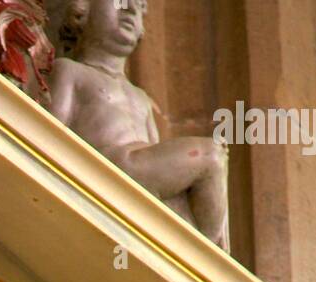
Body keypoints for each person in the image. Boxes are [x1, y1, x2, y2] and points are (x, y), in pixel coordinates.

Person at [47, 0, 229, 248]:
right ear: (82, 9)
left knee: (187, 197)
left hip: (141, 183)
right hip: (111, 172)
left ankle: (194, 255)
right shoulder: (70, 72)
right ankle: (205, 255)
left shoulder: (141, 98)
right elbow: (50, 138)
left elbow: (156, 154)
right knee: (212, 155)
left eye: (140, 6)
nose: (131, 10)